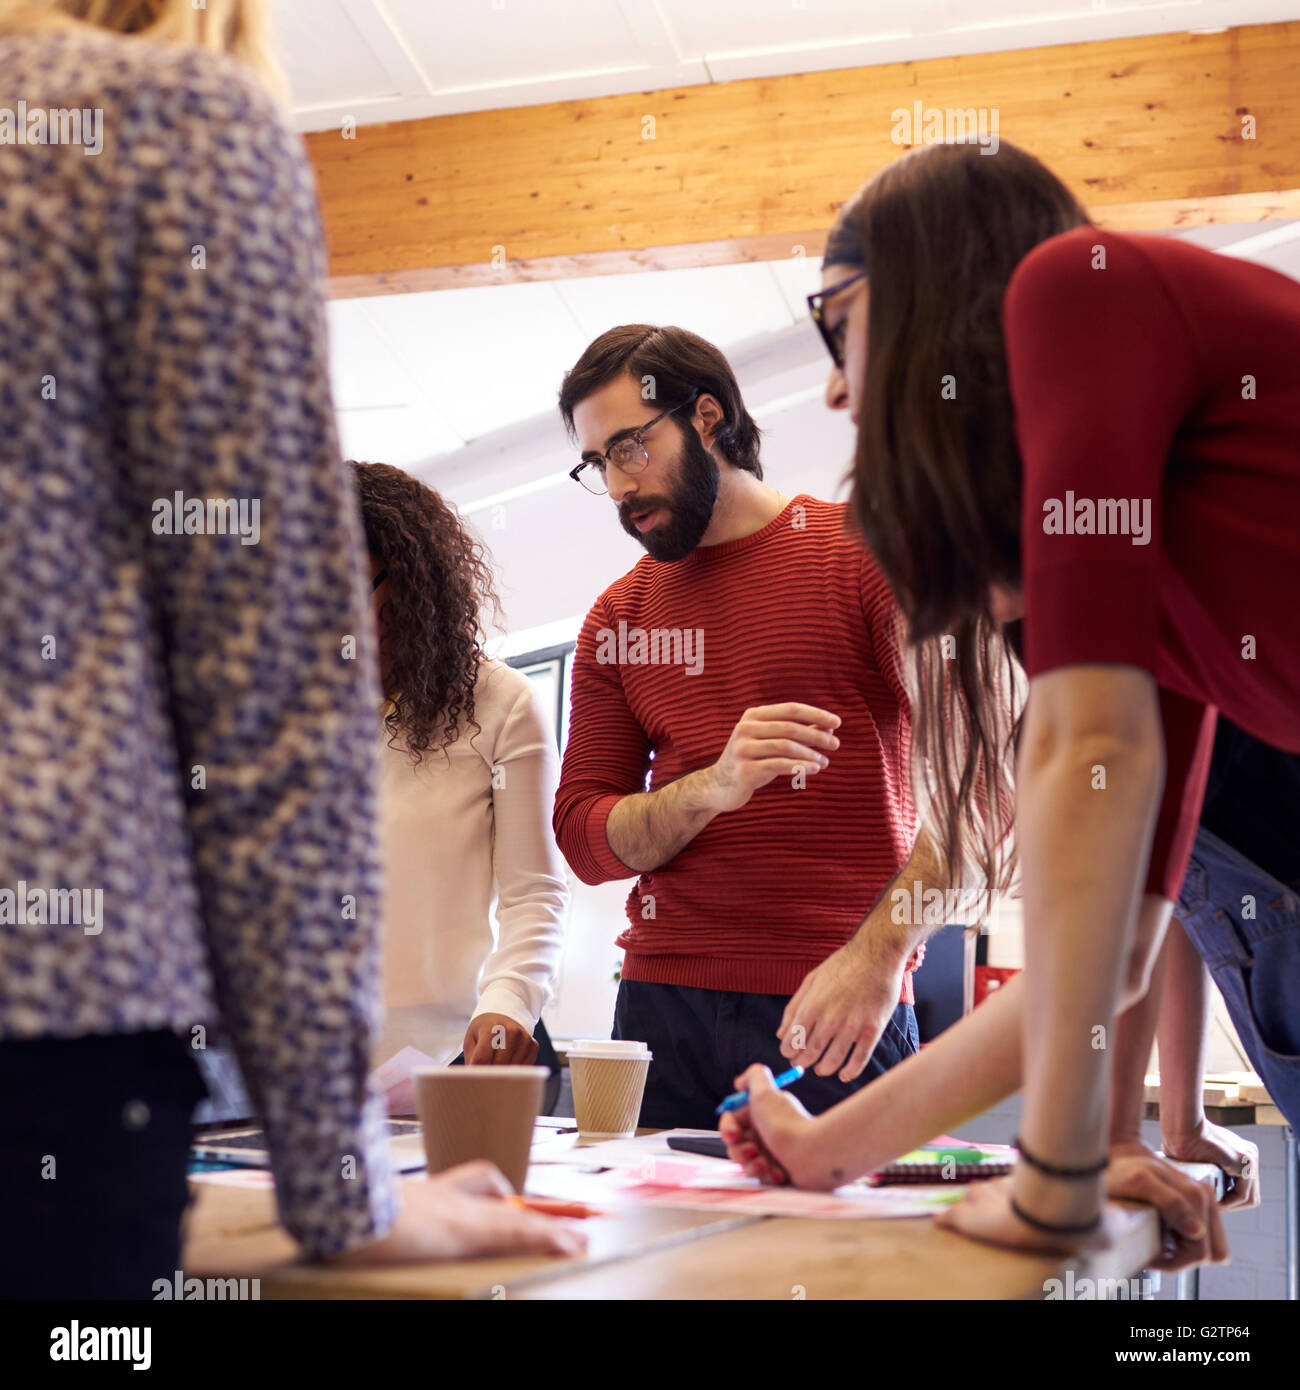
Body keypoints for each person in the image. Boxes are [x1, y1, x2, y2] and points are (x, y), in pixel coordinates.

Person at [0, 0, 582, 1299]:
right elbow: (267, 726)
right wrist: (343, 1191)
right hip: (57, 1003)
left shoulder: (491, 704)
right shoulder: (173, 122)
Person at [724, 137, 1297, 1264]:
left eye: (832, 318)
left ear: (927, 278)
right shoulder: (1151, 565)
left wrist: (1057, 1179)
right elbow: (1116, 946)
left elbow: (1090, 745)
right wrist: (832, 1151)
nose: (836, 386)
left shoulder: (1076, 286)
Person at [552, 323, 949, 1129]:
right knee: (665, 1256)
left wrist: (879, 961)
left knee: (839, 1256)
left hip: (838, 1002)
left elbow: (984, 787)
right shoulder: (617, 618)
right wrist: (711, 789)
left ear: (706, 417)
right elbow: (586, 839)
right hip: (660, 1013)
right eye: (597, 464)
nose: (619, 486)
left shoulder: (867, 554)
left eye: (630, 446)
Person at [352, 462, 568, 1072]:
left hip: (438, 1061)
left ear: (413, 586)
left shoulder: (499, 703)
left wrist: (509, 1003)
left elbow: (534, 892)